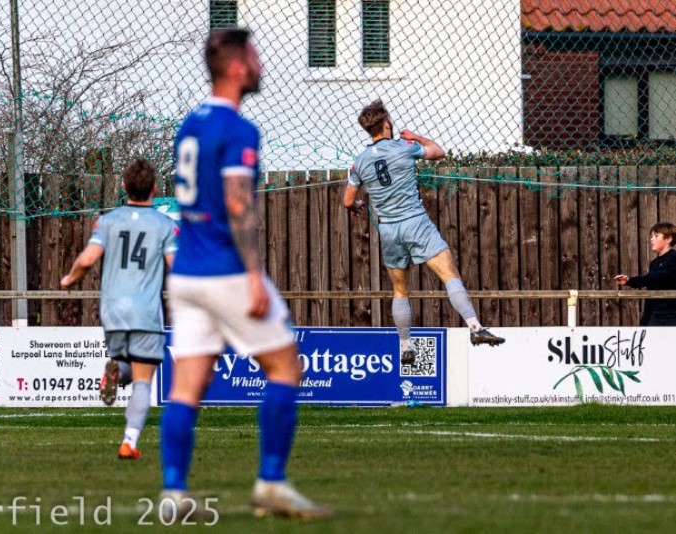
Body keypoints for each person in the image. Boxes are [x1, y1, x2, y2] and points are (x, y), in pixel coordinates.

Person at [161, 28, 331, 521]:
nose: (260, 64)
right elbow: (238, 203)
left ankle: (174, 493)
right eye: (254, 56)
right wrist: (255, 275)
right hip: (225, 270)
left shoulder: (190, 124)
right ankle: (271, 483)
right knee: (285, 368)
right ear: (237, 68)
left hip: (187, 274)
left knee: (186, 387)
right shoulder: (239, 130)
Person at [343, 100, 505, 366]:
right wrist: (415, 136)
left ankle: (406, 346)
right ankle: (476, 328)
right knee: (449, 274)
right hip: (415, 222)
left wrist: (359, 203)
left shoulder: (358, 163)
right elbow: (438, 151)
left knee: (400, 290)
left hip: (388, 230)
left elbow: (348, 200)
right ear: (387, 124)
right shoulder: (404, 148)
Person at [61, 158, 177, 459]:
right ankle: (129, 441)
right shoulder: (165, 226)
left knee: (124, 362)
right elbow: (176, 267)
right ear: (154, 188)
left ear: (123, 187)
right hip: (146, 313)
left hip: (113, 311)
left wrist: (70, 279)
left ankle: (114, 371)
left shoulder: (108, 221)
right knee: (143, 379)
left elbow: (87, 260)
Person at [615, 221, 676, 326]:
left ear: (668, 239)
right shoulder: (654, 263)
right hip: (654, 315)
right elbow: (651, 285)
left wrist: (630, 281)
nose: (652, 240)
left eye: (656, 236)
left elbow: (655, 277)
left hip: (671, 316)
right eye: (652, 236)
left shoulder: (674, 258)